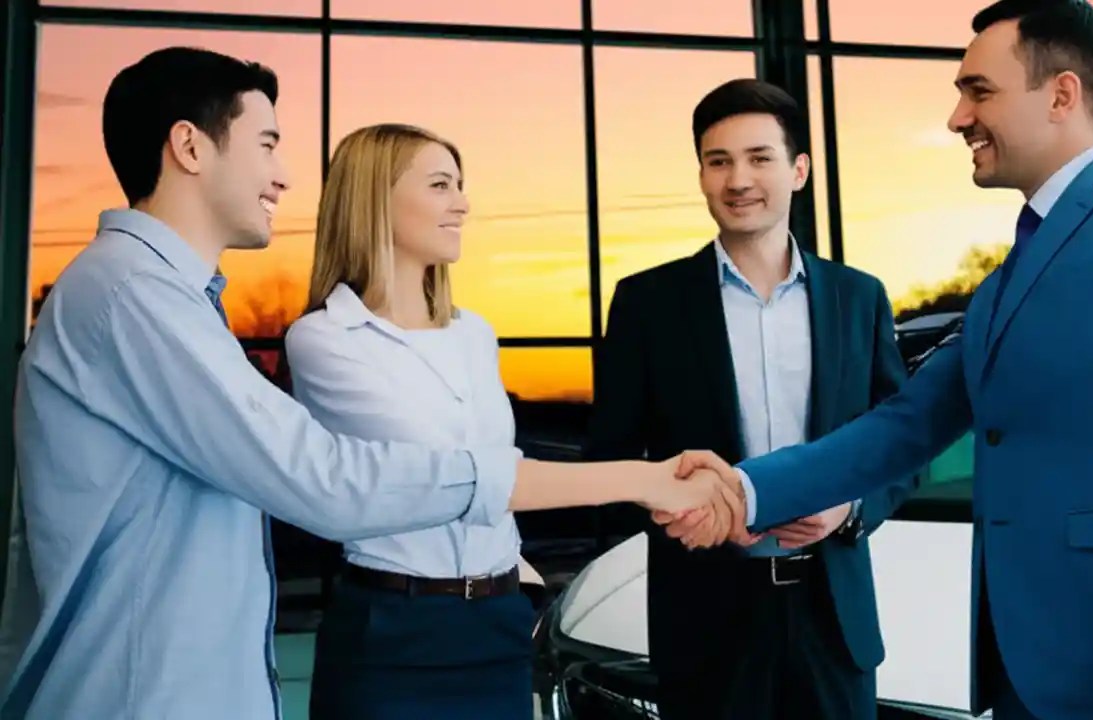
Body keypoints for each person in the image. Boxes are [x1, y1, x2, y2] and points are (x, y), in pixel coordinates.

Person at [0, 47, 722, 720]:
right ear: (190, 147)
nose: (282, 175)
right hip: (141, 696)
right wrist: (637, 478)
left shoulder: (164, 298)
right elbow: (325, 481)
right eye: (266, 145)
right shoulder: (134, 296)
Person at [667, 2, 1093, 720]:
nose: (958, 118)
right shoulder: (1003, 285)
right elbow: (903, 426)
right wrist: (743, 488)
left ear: (1062, 95)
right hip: (1026, 672)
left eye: (978, 92)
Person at [585, 78, 919, 720]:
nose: (738, 179)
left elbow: (900, 445)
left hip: (833, 620)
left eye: (759, 158)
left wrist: (848, 507)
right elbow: (611, 458)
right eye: (719, 161)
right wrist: (682, 507)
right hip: (707, 623)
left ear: (799, 171)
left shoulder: (859, 298)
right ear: (702, 176)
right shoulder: (647, 304)